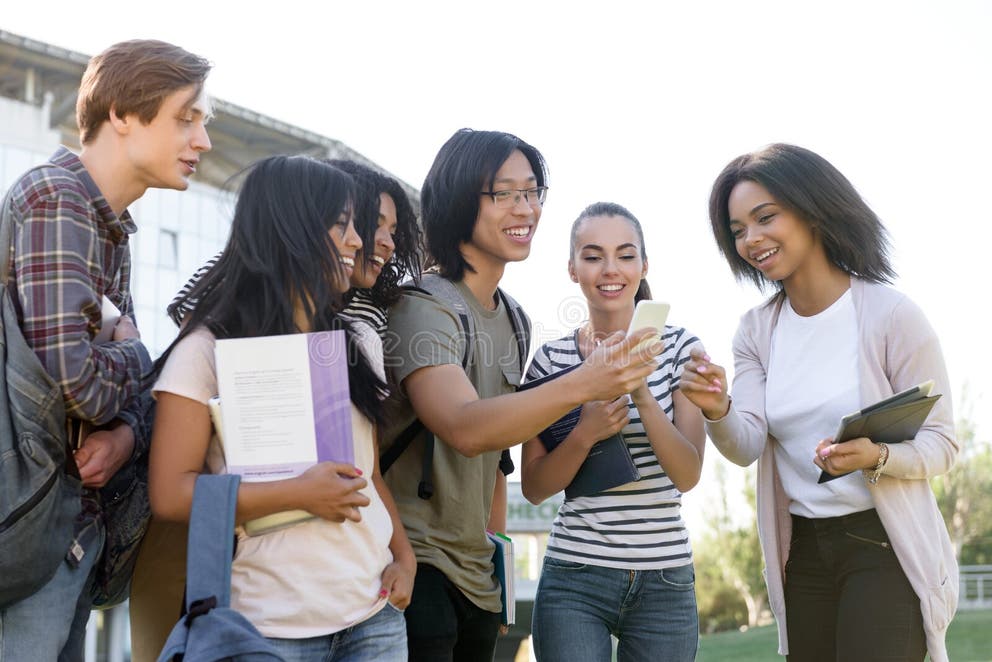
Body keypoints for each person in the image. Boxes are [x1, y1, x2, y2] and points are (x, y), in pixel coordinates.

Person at [380, 129, 664, 662]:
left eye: (532, 192)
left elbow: (499, 458)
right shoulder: (424, 305)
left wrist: (498, 556)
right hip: (416, 567)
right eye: (505, 193)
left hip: (477, 582)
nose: (526, 208)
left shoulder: (513, 317)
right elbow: (465, 428)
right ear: (461, 202)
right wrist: (585, 382)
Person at [130, 158, 422, 661]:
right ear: (292, 229)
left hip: (373, 619)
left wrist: (404, 555)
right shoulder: (205, 351)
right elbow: (171, 494)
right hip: (266, 627)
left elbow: (369, 474)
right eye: (342, 224)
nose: (357, 240)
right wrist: (298, 492)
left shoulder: (357, 343)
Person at [679, 143, 959, 661]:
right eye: (738, 229)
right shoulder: (757, 332)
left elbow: (943, 444)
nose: (751, 239)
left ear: (811, 210)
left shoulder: (892, 316)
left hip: (884, 548)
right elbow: (745, 445)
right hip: (803, 552)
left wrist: (877, 457)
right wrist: (717, 408)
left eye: (765, 218)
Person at [0, 39, 211, 661]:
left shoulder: (107, 223)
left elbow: (110, 398)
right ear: (121, 112)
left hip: (59, 525)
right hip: (26, 519)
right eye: (186, 118)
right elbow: (81, 384)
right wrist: (138, 354)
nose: (201, 141)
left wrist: (122, 431)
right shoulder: (56, 200)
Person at [520, 202, 705, 662]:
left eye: (625, 255)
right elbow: (536, 487)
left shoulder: (682, 348)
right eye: (592, 255)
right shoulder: (551, 362)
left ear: (644, 265)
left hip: (665, 578)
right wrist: (584, 433)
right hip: (574, 577)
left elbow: (687, 475)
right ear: (571, 269)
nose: (610, 270)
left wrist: (639, 388)